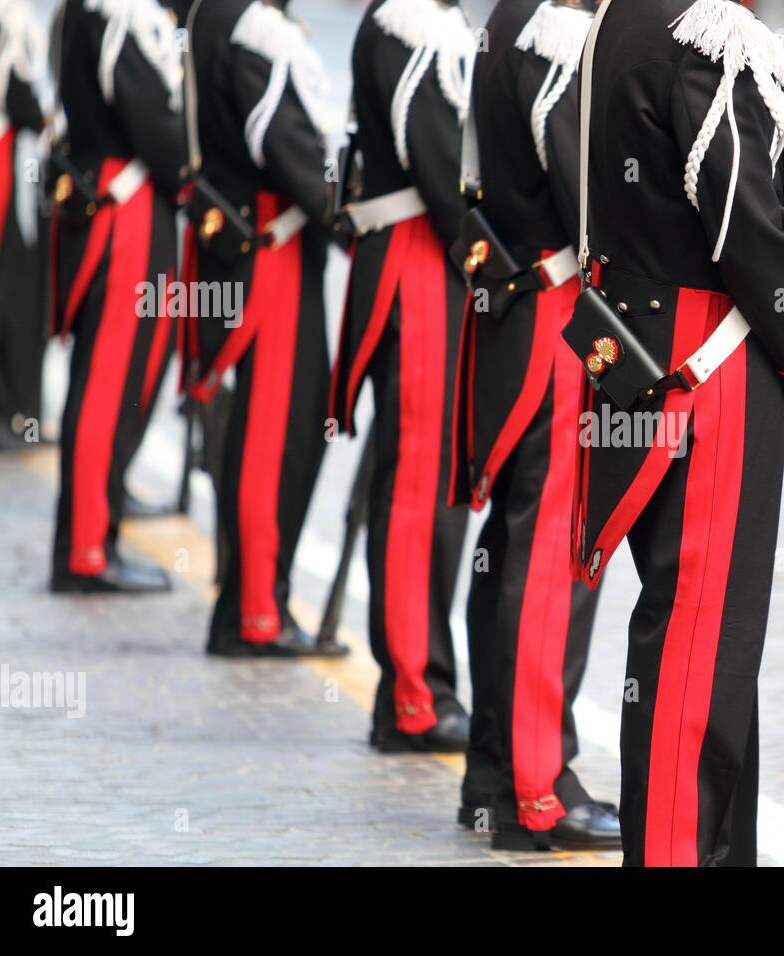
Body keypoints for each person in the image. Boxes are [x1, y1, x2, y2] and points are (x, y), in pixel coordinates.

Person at [577, 0, 784, 865]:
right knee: (698, 653)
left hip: (634, 353)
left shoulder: (623, 16)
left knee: (700, 642)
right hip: (708, 371)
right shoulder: (704, 35)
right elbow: (747, 222)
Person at [448, 0, 620, 850]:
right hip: (557, 320)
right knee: (552, 555)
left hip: (520, 309)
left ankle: (493, 767)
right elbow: (589, 189)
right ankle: (535, 783)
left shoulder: (510, 16)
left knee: (512, 553)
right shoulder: (556, 29)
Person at [330, 0, 476, 751]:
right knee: (418, 487)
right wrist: (503, 260)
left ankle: (425, 675)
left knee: (440, 490)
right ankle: (412, 692)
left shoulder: (429, 25)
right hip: (420, 263)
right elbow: (442, 168)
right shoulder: (404, 24)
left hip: (437, 266)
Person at [185, 0, 345, 657]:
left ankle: (251, 603)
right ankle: (256, 611)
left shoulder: (211, 13)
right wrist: (349, 218)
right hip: (271, 253)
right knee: (274, 437)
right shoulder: (254, 29)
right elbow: (288, 147)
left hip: (254, 245)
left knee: (274, 428)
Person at [49, 0, 187, 593]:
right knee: (106, 388)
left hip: (118, 205)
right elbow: (160, 133)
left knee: (117, 384)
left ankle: (97, 534)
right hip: (123, 214)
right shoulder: (119, 15)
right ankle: (85, 550)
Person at [0, 0, 46, 453]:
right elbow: (23, 102)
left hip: (2, 167)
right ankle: (7, 414)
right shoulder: (6, 22)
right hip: (0, 170)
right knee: (5, 294)